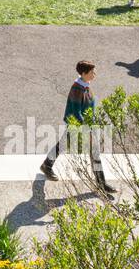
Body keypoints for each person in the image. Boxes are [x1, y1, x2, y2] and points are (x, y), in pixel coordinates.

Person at [40, 60, 113, 193]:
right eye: (92, 72)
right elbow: (75, 112)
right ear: (84, 73)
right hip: (77, 125)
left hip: (85, 125)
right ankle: (101, 184)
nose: (94, 74)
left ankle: (101, 183)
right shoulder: (77, 89)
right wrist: (87, 129)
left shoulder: (86, 85)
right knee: (68, 146)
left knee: (87, 150)